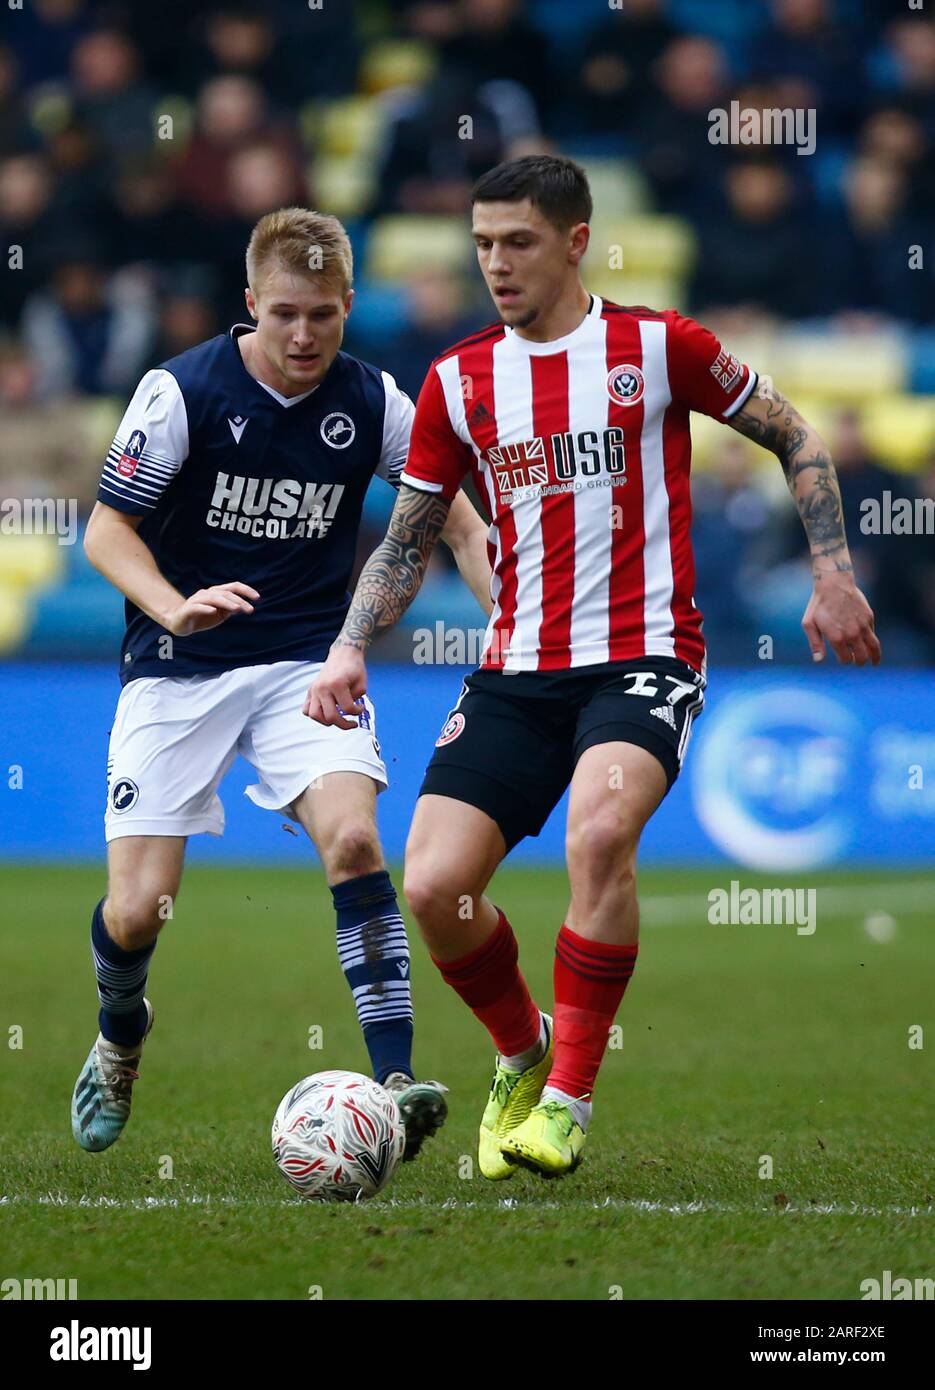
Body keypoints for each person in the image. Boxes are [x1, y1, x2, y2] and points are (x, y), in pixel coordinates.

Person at [306, 155, 881, 1179]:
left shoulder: (657, 348)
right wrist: (351, 645)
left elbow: (795, 434)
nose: (495, 263)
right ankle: (522, 1054)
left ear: (575, 241)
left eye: (517, 242)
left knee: (600, 829)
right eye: (481, 244)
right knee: (434, 886)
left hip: (643, 656)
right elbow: (407, 538)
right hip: (516, 668)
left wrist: (830, 575)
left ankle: (567, 1099)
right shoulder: (458, 379)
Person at [70, 206, 492, 1160]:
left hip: (306, 661)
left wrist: (512, 621)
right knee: (137, 911)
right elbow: (105, 530)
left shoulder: (375, 401)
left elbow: (457, 525)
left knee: (351, 837)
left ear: (349, 306)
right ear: (251, 303)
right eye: (286, 315)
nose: (304, 337)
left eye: (325, 317)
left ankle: (393, 1079)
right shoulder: (181, 392)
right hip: (178, 667)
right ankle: (120, 1032)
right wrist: (174, 607)